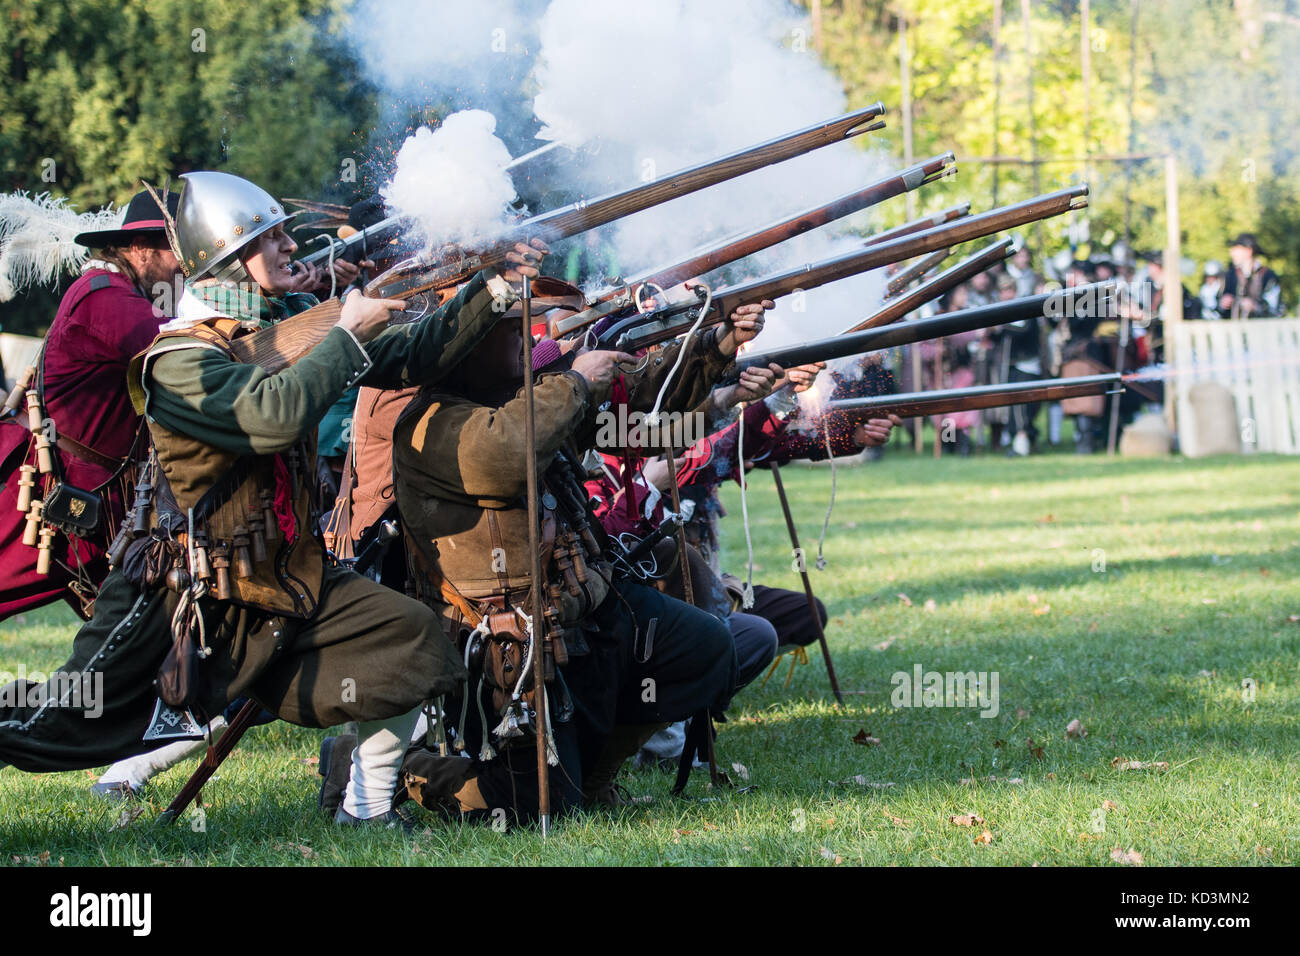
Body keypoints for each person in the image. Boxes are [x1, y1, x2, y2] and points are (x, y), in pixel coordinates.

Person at [0, 171, 546, 833]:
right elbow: (271, 416)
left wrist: (492, 289)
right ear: (232, 256)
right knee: (50, 726)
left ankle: (365, 814)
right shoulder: (178, 355)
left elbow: (412, 357)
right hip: (180, 600)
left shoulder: (281, 327)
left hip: (283, 582)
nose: (293, 245)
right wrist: (345, 334)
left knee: (413, 640)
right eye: (273, 237)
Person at [333, 298, 773, 823]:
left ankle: (592, 776)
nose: (527, 337)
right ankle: (402, 769)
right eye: (507, 330)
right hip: (511, 648)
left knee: (705, 650)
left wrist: (718, 340)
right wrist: (575, 382)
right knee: (531, 807)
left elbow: (640, 406)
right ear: (466, 346)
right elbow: (501, 455)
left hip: (590, 610)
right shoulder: (431, 422)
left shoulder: (528, 397)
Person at [0, 188, 183, 623]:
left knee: (135, 625)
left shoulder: (119, 291)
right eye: (180, 251)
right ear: (141, 249)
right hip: (51, 492)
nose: (187, 268)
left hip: (88, 501)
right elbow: (181, 350)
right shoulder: (104, 295)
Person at [1219, 233, 1283, 318]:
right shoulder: (1230, 275)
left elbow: (1275, 307)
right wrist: (1223, 303)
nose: (1232, 252)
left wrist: (1255, 307)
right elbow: (1216, 305)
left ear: (1249, 251)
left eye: (1237, 248)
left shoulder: (1268, 275)